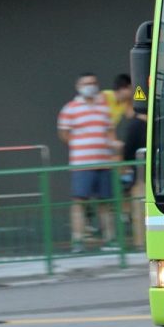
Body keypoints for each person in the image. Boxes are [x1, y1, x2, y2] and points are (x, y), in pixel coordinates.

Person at [57, 72, 119, 247]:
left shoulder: (104, 107)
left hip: (104, 162)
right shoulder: (70, 108)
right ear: (78, 87)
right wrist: (80, 145)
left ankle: (110, 238)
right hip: (82, 163)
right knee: (79, 201)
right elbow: (63, 133)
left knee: (105, 202)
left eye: (93, 82)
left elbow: (109, 131)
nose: (90, 86)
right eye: (86, 83)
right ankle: (78, 239)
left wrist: (112, 148)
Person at [116, 95, 147, 251]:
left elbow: (128, 151)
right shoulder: (152, 123)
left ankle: (140, 242)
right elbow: (128, 151)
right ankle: (140, 242)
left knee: (139, 209)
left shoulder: (135, 125)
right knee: (139, 209)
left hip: (141, 174)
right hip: (143, 176)